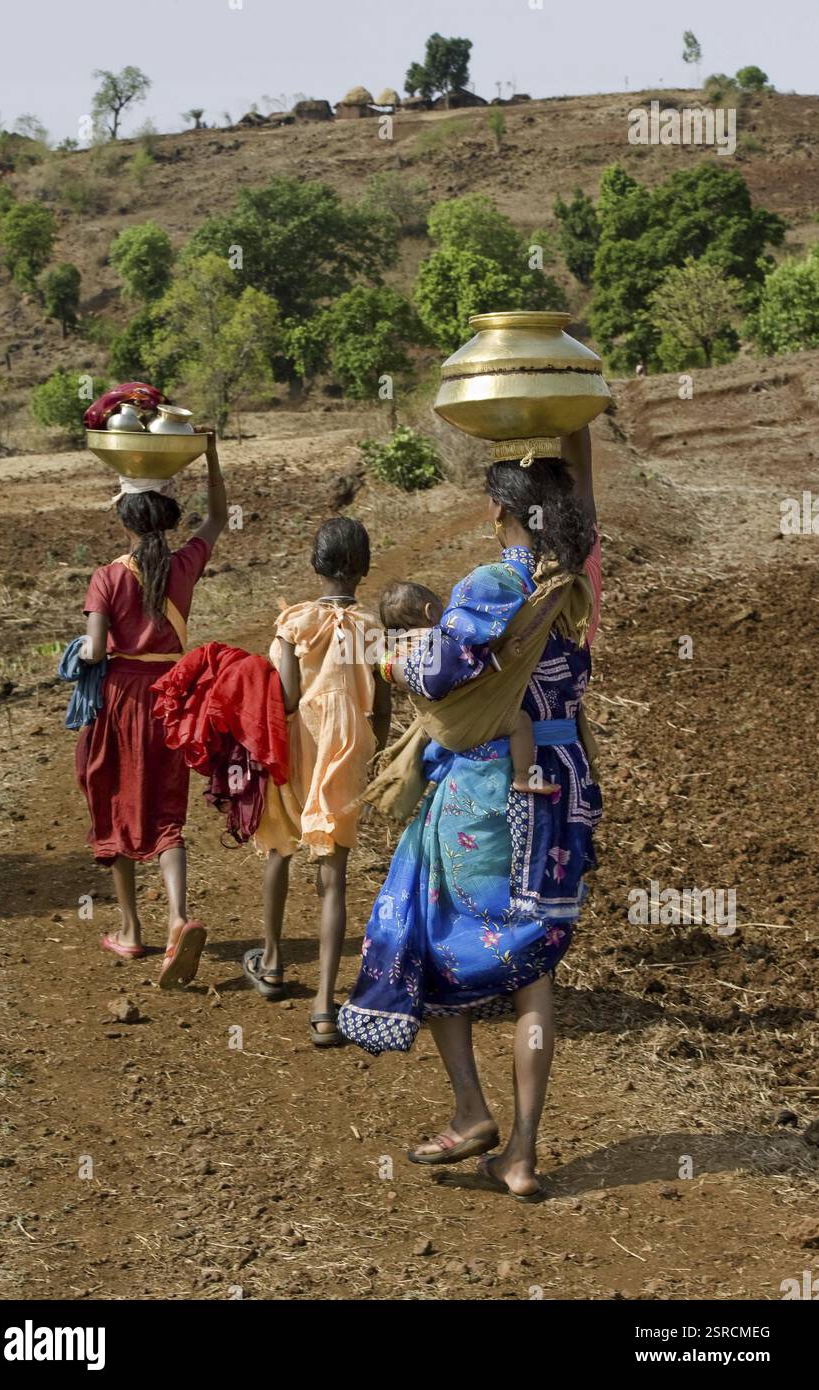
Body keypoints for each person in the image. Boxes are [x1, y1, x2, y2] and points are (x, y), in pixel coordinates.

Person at [339, 428, 603, 1199]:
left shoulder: (494, 581)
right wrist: (574, 430)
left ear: (500, 510)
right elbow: (582, 503)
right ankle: (521, 1151)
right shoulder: (575, 585)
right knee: (535, 969)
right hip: (562, 783)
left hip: (488, 790)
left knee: (430, 930)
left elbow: (439, 668)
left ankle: (469, 1109)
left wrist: (385, 655)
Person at [76, 432, 228, 987]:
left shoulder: (107, 576)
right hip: (172, 695)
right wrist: (210, 453)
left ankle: (130, 929)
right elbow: (216, 515)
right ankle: (178, 918)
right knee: (166, 809)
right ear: (165, 517)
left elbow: (94, 650)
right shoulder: (184, 564)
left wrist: (83, 653)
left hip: (121, 698)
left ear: (125, 520)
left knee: (113, 798)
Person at [247, 518, 392, 1046]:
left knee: (280, 849)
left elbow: (284, 698)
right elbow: (382, 704)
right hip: (348, 746)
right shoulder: (372, 628)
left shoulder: (295, 622)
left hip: (297, 742)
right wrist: (375, 755)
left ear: (315, 565)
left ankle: (271, 961)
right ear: (365, 568)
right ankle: (325, 1006)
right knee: (334, 873)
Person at [379, 580, 552, 796]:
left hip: (436, 728)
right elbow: (469, 677)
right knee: (520, 720)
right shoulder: (442, 647)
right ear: (430, 611)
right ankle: (524, 776)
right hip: (459, 727)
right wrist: (501, 659)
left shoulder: (395, 655)